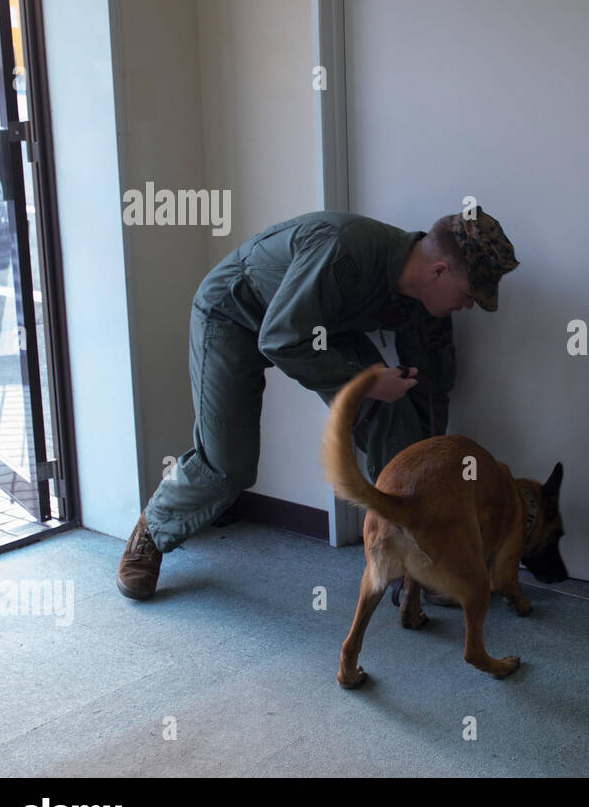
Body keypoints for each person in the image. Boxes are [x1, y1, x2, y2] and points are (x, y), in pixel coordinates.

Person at [116, 206, 518, 601]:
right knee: (228, 466)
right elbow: (279, 338)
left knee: (396, 415)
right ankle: (151, 531)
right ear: (439, 271)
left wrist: (429, 487)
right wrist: (362, 384)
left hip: (320, 328)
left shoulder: (426, 302)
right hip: (234, 317)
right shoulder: (344, 251)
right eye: (469, 295)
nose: (468, 307)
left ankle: (414, 559)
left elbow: (432, 395)